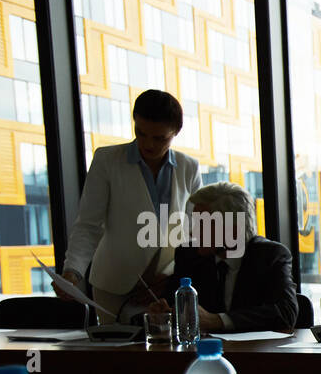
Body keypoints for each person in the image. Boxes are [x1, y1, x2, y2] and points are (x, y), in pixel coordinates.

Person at [61, 89, 201, 323]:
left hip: (165, 285)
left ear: (176, 132)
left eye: (160, 138)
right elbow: (88, 224)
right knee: (117, 355)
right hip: (113, 285)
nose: (148, 144)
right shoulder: (107, 160)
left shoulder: (189, 167)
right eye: (141, 133)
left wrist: (174, 277)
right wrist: (72, 271)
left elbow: (194, 233)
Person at [148, 182, 298, 333]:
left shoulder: (270, 256)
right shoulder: (188, 256)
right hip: (200, 352)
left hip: (256, 353)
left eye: (202, 224)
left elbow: (286, 313)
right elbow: (174, 309)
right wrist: (163, 315)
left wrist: (218, 321)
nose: (192, 233)